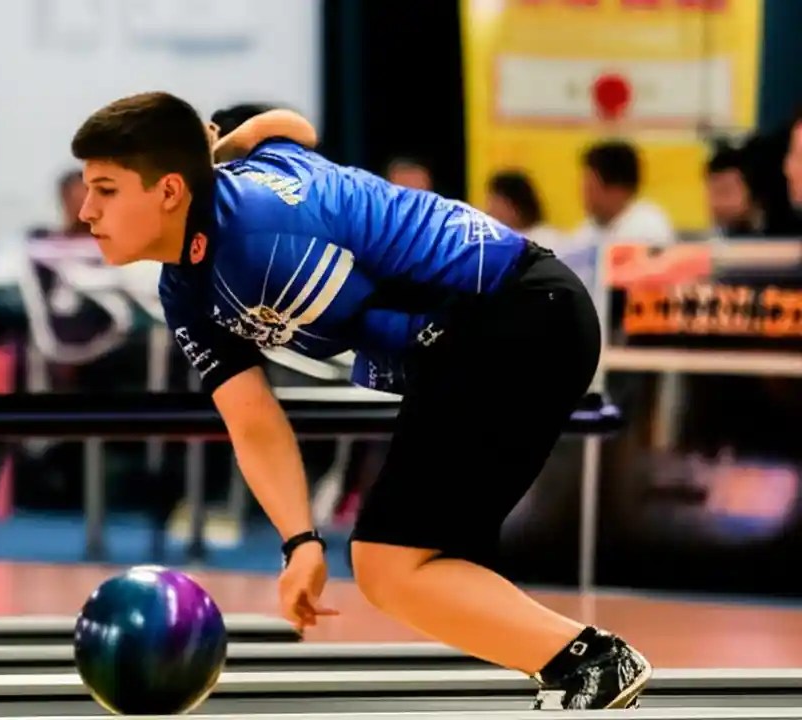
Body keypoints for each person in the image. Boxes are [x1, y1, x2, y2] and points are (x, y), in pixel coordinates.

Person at [68, 92, 651, 711]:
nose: (85, 210)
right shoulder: (186, 279)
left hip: (518, 319)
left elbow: (391, 324)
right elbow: (251, 416)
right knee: (406, 560)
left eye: (106, 190)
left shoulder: (263, 244)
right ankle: (581, 666)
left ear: (169, 190)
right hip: (507, 324)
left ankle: (593, 662)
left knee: (390, 561)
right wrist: (300, 541)